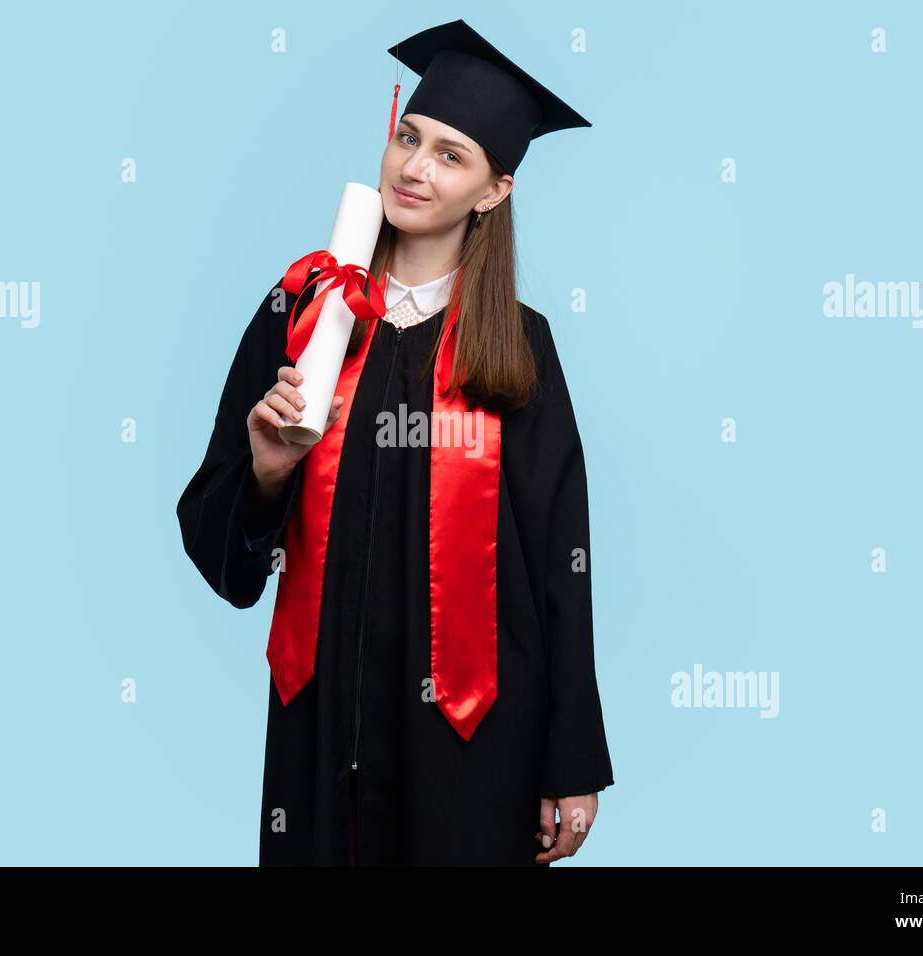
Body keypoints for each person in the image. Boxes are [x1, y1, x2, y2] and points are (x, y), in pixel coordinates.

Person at [177, 19, 613, 865]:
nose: (415, 167)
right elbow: (220, 555)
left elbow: (563, 558)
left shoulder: (518, 347)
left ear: (494, 191)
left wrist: (571, 762)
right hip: (320, 708)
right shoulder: (302, 312)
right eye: (408, 138)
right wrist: (265, 479)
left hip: (479, 732)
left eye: (452, 155)